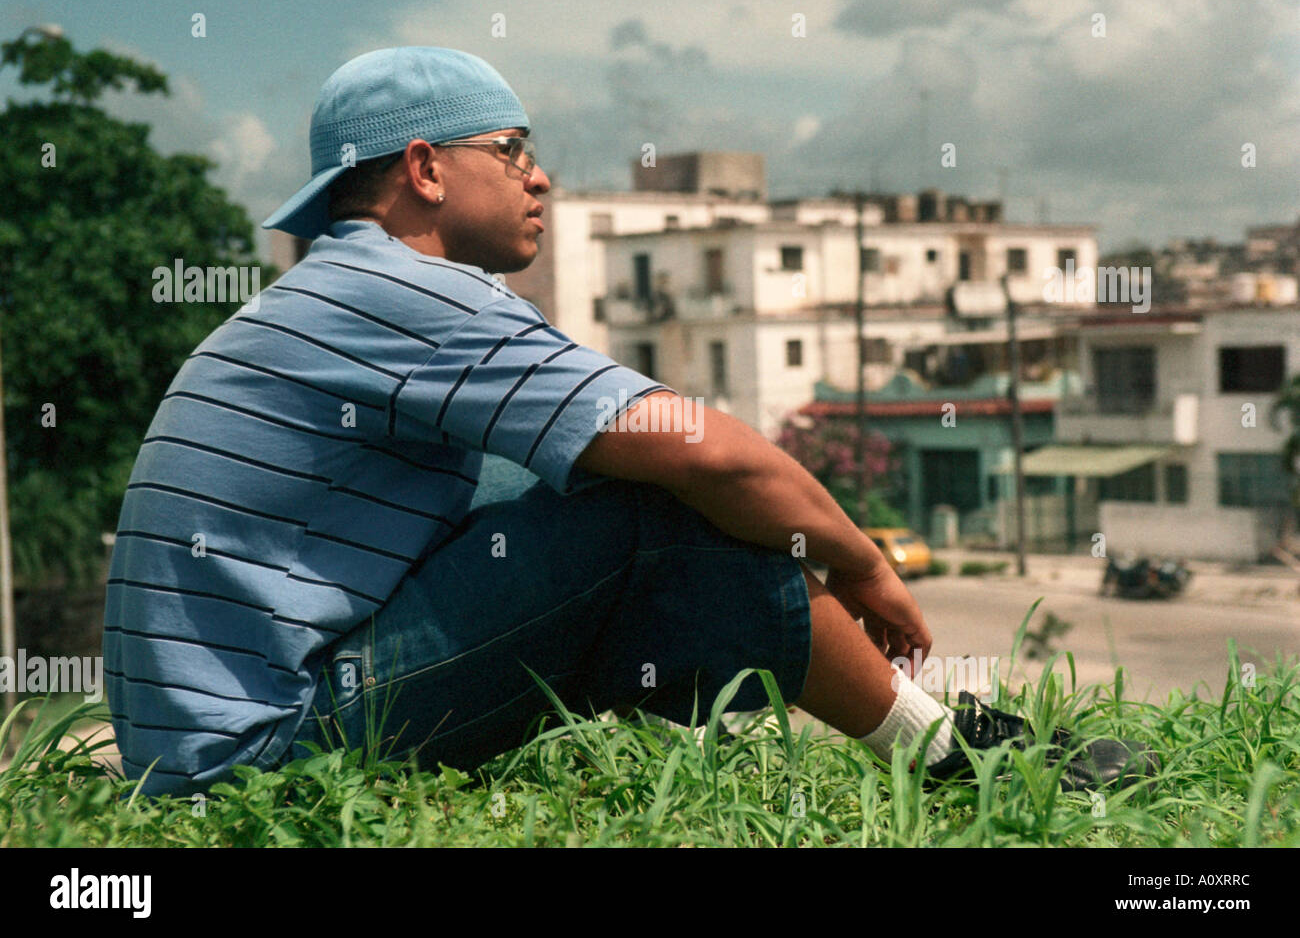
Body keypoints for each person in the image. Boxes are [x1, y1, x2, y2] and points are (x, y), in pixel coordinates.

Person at [104, 46, 1155, 799]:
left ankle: (877, 726)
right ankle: (955, 763)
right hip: (264, 760)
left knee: (552, 479)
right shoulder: (403, 290)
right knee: (659, 494)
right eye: (512, 151)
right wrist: (866, 566)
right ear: (424, 170)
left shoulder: (323, 292)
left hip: (196, 751)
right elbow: (712, 451)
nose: (541, 176)